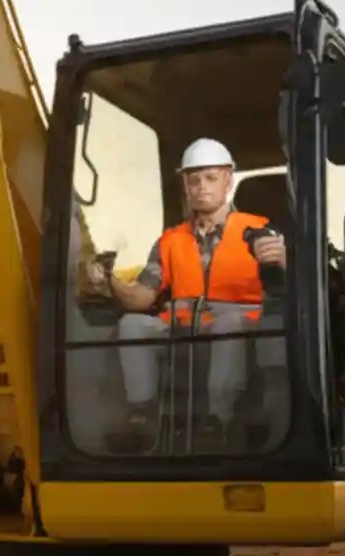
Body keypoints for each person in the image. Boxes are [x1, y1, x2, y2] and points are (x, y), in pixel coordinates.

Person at [79, 137, 286, 451]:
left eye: (210, 178)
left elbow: (284, 280)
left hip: (240, 319)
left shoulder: (259, 230)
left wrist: (282, 261)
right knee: (133, 324)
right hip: (183, 322)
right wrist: (110, 281)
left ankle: (219, 419)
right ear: (185, 186)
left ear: (228, 180)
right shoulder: (170, 241)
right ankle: (142, 412)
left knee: (226, 325)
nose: (202, 186)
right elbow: (143, 298)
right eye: (194, 179)